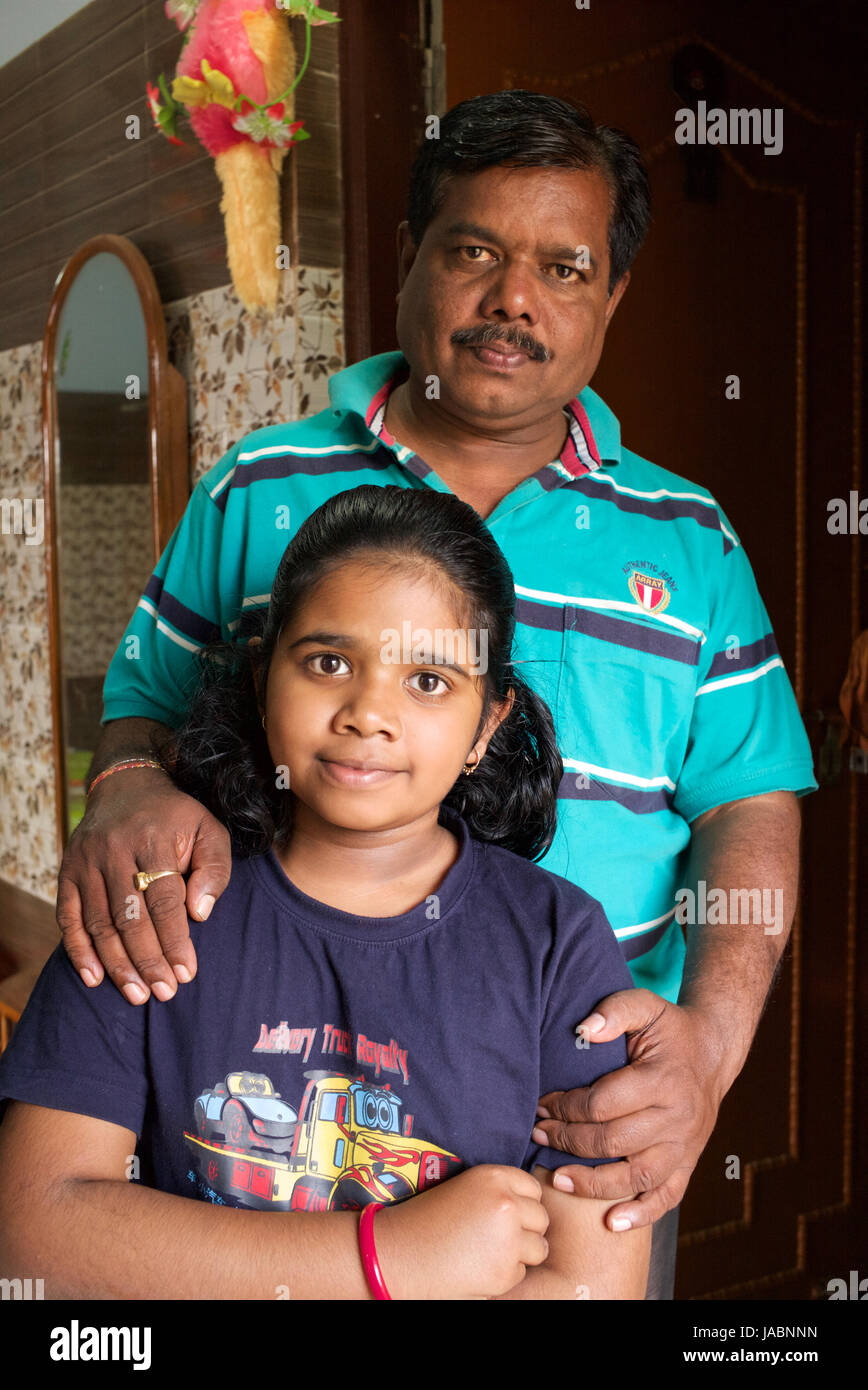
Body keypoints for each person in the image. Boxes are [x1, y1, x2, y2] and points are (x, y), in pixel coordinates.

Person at [51, 91, 815, 1298]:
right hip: (260, 1106)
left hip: (576, 1121)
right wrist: (131, 782)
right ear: (408, 256)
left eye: (564, 268)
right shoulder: (261, 483)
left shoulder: (691, 541)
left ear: (610, 297)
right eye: (473, 251)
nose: (514, 298)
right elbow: (143, 704)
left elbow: (751, 804)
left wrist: (710, 1049)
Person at [0, 486, 651, 1301]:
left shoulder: (557, 942)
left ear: (489, 724)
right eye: (329, 662)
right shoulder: (154, 904)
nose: (368, 712)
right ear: (264, 675)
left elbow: (590, 1285)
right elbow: (33, 1235)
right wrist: (383, 1260)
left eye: (428, 679)